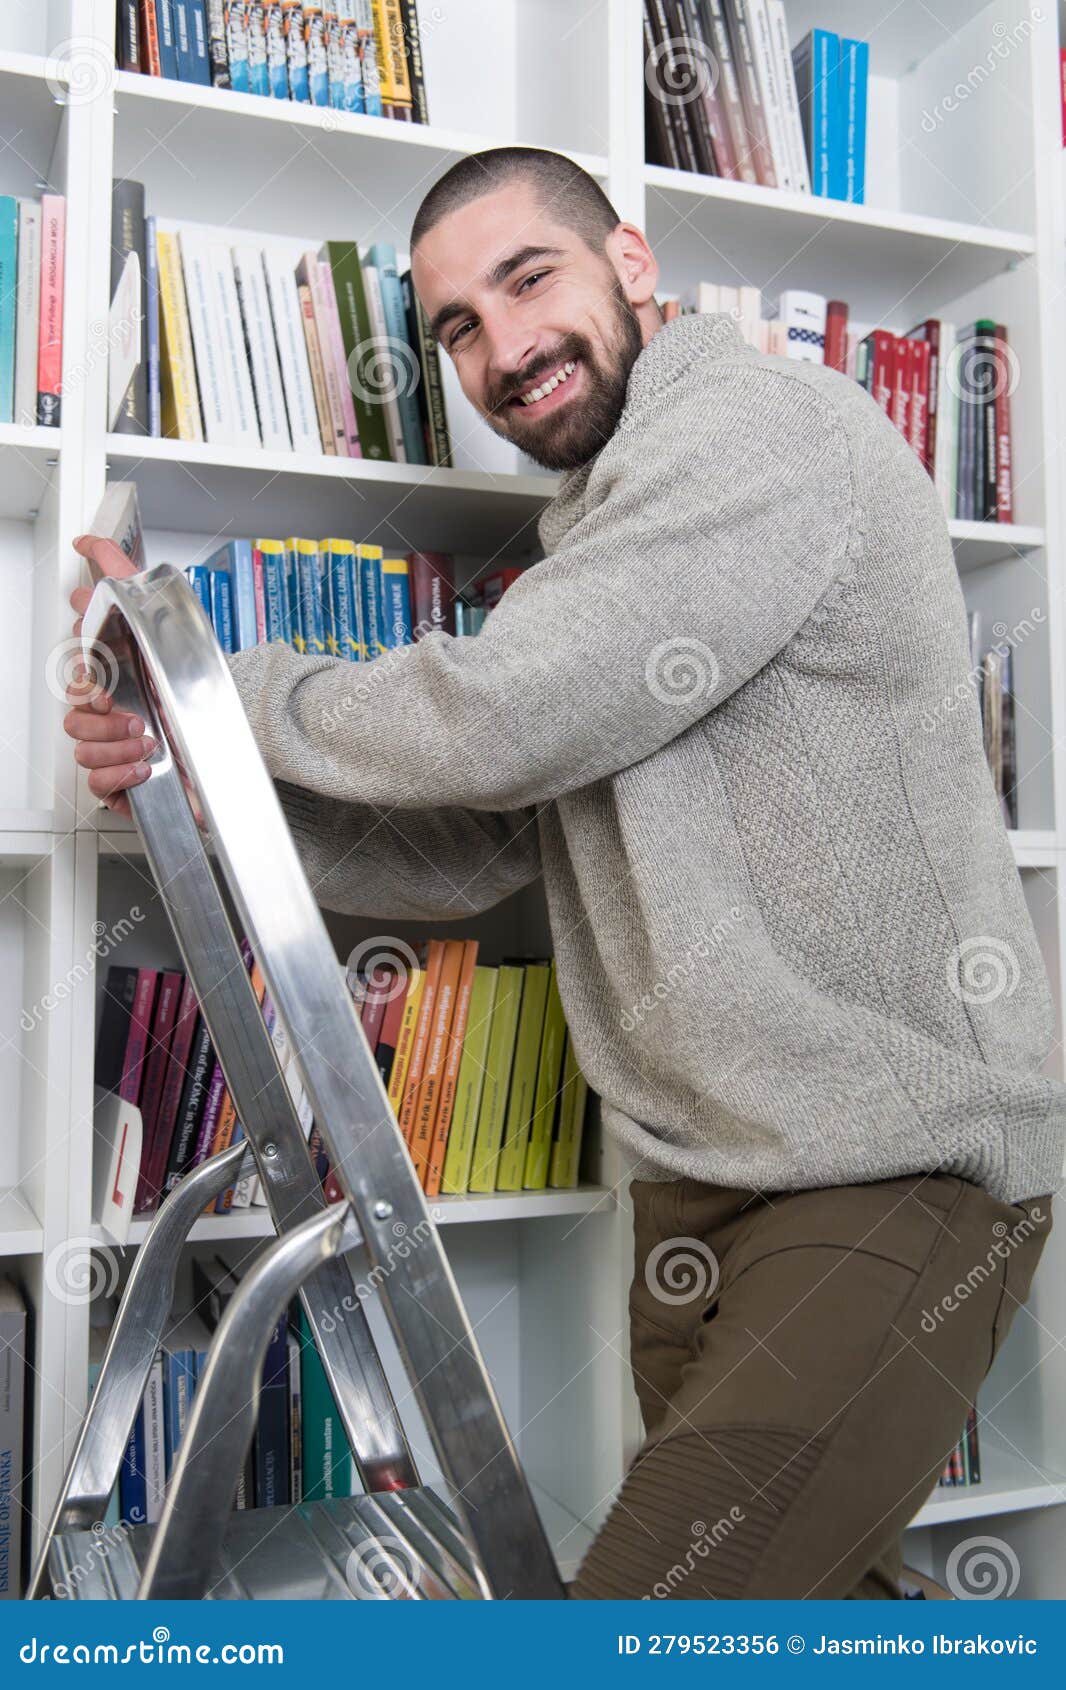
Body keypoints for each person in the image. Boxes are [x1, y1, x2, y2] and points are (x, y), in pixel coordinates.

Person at [65, 147, 1059, 1599]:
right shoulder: (593, 534)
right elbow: (478, 839)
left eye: (528, 279)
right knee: (784, 1619)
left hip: (892, 1167)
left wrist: (214, 684)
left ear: (632, 264)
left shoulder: (758, 429)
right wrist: (194, 778)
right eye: (457, 325)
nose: (502, 345)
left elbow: (509, 710)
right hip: (701, 1189)